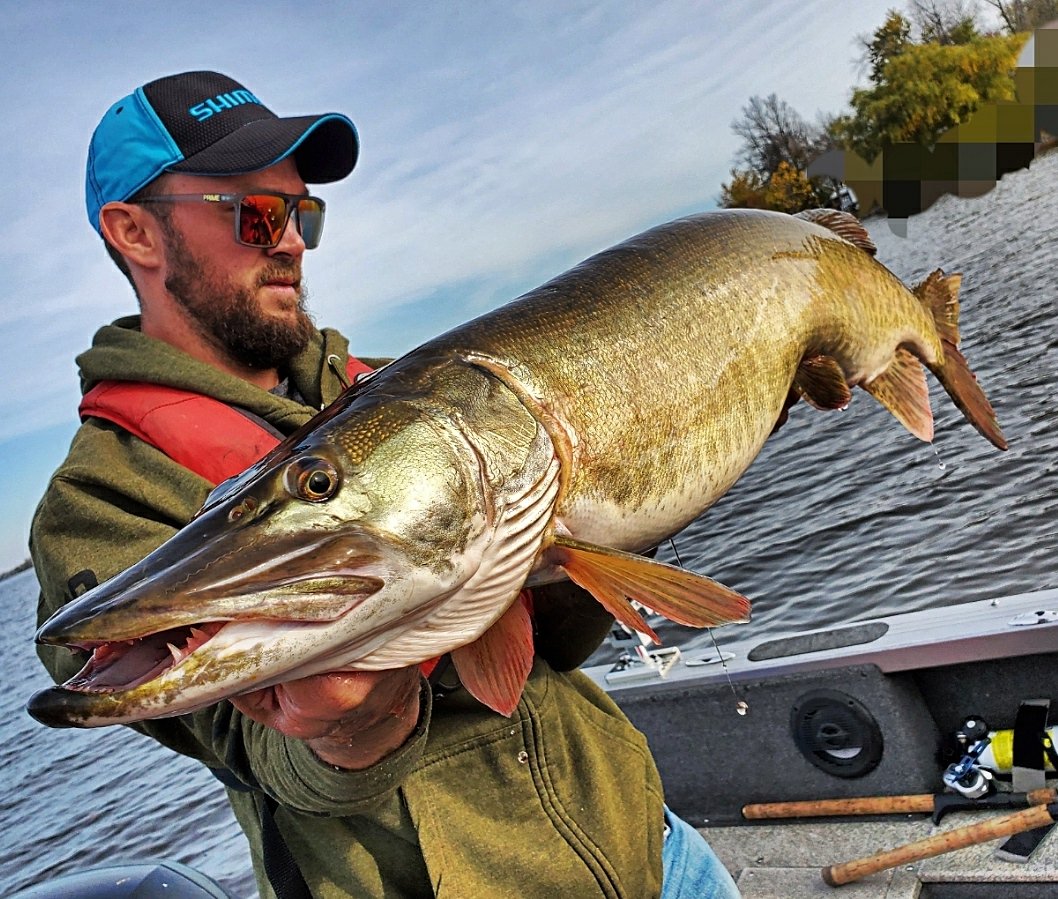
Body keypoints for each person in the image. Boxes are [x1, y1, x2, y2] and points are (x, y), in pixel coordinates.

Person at [30, 70, 740, 899]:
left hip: (653, 844)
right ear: (135, 232)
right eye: (256, 214)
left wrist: (629, 489)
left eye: (303, 214)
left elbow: (553, 648)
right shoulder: (93, 504)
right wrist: (352, 729)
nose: (291, 242)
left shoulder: (393, 385)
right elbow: (250, 746)